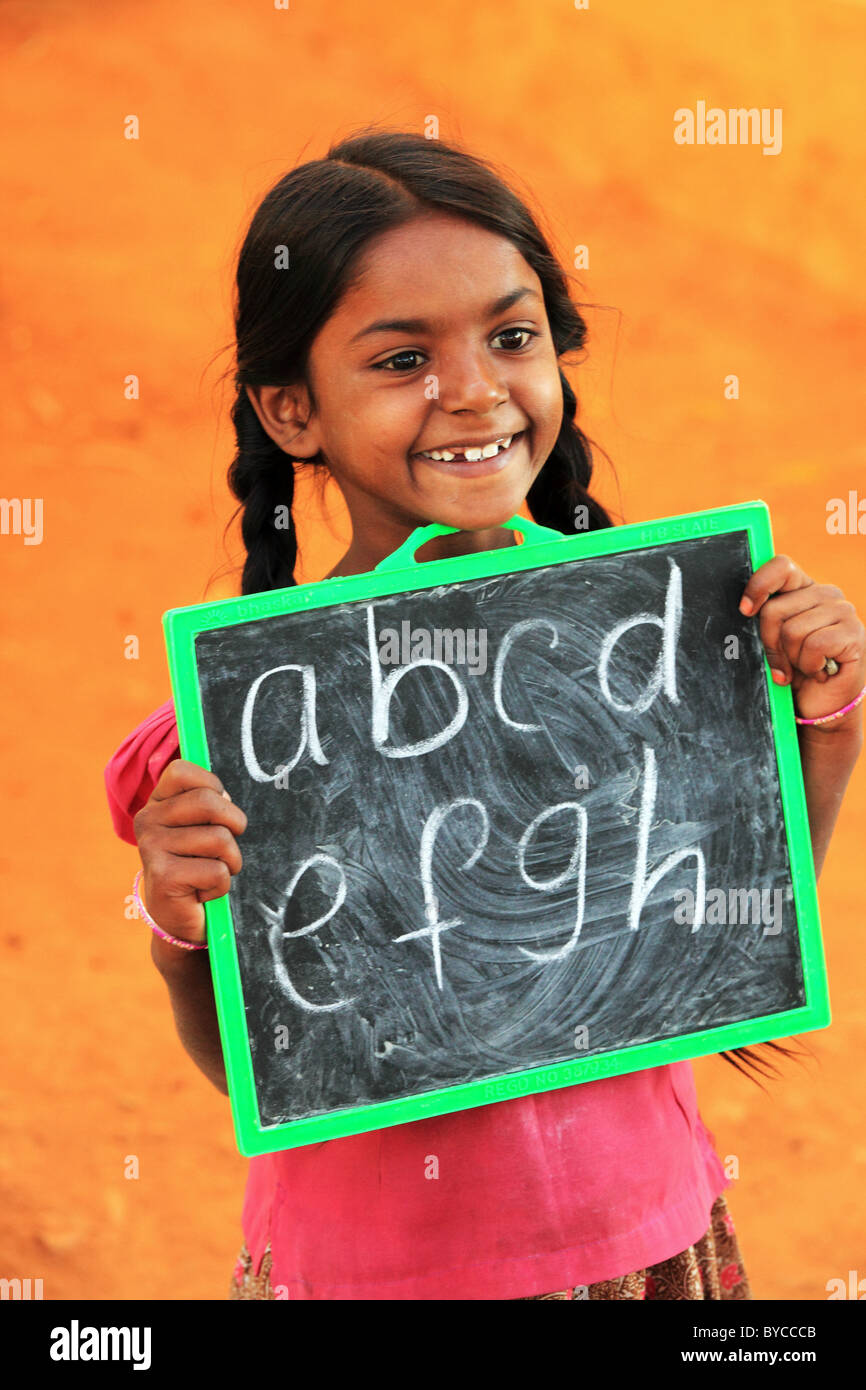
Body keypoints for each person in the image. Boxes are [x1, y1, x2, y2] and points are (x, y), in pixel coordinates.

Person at [104, 128, 865, 1300]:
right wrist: (176, 932)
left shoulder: (658, 649)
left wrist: (822, 724)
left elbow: (721, 937)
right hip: (383, 1278)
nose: (472, 391)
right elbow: (251, 1066)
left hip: (645, 1242)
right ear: (291, 410)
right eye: (401, 358)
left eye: (510, 337)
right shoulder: (243, 732)